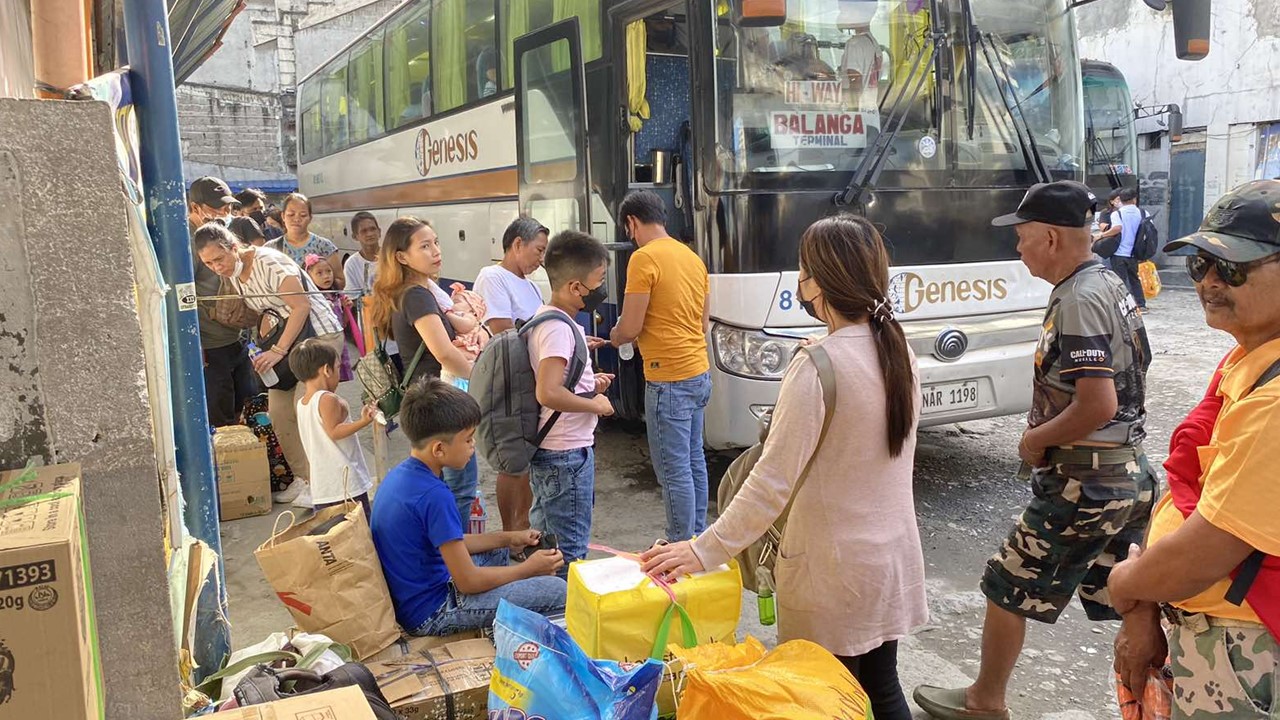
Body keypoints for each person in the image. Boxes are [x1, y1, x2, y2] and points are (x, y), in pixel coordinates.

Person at [642, 214, 928, 720]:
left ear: (817, 284)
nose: (800, 281)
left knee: (825, 700)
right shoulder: (898, 350)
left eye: (803, 270)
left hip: (832, 573)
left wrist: (702, 550)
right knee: (881, 688)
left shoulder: (818, 367)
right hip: (891, 560)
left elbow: (770, 483)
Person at [915, 181, 1155, 720]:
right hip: (1125, 473)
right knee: (1130, 599)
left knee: (1007, 584)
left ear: (1050, 238)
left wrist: (1033, 440)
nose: (1017, 248)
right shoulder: (1106, 282)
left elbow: (1098, 402)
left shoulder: (1079, 298)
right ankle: (1160, 702)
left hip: (1085, 481)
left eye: (1022, 237)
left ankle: (984, 702)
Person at [1107, 180, 1280, 716]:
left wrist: (1126, 585)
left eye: (1232, 267)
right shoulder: (1248, 360)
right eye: (1201, 263)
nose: (1208, 281)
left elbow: (1207, 550)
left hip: (1247, 646)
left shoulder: (1275, 399)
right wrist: (1144, 604)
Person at [370, 379, 567, 636]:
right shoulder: (435, 495)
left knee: (498, 551)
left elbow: (453, 540)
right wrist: (528, 570)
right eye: (468, 439)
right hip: (432, 612)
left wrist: (510, 538)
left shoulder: (403, 475)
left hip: (413, 595)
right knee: (558, 590)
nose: (473, 447)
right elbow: (468, 582)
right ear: (439, 449)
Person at [193, 222, 345, 509]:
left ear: (234, 247)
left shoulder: (269, 262)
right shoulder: (234, 274)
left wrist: (277, 350)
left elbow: (301, 307)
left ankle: (325, 483)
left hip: (317, 337)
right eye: (209, 263)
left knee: (307, 410)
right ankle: (304, 478)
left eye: (219, 259)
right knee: (278, 413)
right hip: (285, 344)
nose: (216, 267)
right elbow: (265, 310)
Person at [610, 190, 712, 542]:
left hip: (668, 377)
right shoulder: (692, 258)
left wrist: (615, 335)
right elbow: (702, 324)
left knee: (672, 469)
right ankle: (697, 537)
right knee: (694, 459)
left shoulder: (644, 258)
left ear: (632, 222)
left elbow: (630, 328)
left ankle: (680, 542)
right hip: (698, 372)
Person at [368, 217, 478, 522]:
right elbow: (443, 352)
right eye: (425, 246)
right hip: (440, 405)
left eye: (436, 243)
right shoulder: (416, 296)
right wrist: (481, 380)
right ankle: (453, 548)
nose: (436, 251)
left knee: (440, 485)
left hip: (429, 402)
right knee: (459, 488)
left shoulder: (409, 292)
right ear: (402, 257)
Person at [526, 231, 616, 577]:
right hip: (564, 456)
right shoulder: (558, 329)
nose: (602, 288)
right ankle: (565, 610)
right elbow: (548, 392)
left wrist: (590, 384)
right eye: (599, 280)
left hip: (558, 452)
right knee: (569, 556)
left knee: (549, 549)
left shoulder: (553, 319)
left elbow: (560, 383)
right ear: (576, 287)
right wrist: (597, 405)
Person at [474, 217, 550, 533]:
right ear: (517, 244)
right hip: (506, 382)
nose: (541, 259)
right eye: (538, 250)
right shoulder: (493, 277)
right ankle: (511, 533)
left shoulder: (531, 286)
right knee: (511, 460)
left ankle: (524, 528)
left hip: (529, 379)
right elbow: (502, 329)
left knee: (526, 460)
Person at [187, 177, 259, 430]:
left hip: (237, 336)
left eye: (227, 207)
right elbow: (182, 295)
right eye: (216, 207)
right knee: (221, 413)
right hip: (211, 343)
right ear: (195, 207)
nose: (224, 212)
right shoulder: (187, 244)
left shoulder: (221, 232)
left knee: (245, 405)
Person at [288, 338, 375, 517]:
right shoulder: (327, 399)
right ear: (326, 370)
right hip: (344, 483)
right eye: (337, 367)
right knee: (358, 528)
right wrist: (363, 421)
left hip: (322, 486)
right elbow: (334, 431)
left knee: (330, 531)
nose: (339, 373)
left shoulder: (302, 403)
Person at [269, 192, 345, 289]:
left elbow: (340, 281)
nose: (297, 219)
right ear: (283, 216)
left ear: (310, 218)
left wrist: (319, 283)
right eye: (291, 214)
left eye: (303, 215)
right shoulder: (270, 248)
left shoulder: (325, 246)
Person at [1094, 186, 1147, 311]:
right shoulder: (1143, 213)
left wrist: (1101, 236)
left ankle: (1124, 306)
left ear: (1121, 200)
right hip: (1134, 253)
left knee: (1120, 280)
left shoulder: (1117, 214)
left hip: (1119, 252)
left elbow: (1117, 228)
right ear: (1134, 199)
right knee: (1134, 279)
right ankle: (1141, 304)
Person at [303, 254, 354, 381]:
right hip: (321, 342)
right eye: (319, 273)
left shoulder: (336, 296)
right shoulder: (311, 299)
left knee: (334, 375)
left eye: (329, 271)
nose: (326, 276)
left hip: (337, 341)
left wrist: (346, 309)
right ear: (308, 277)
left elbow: (343, 324)